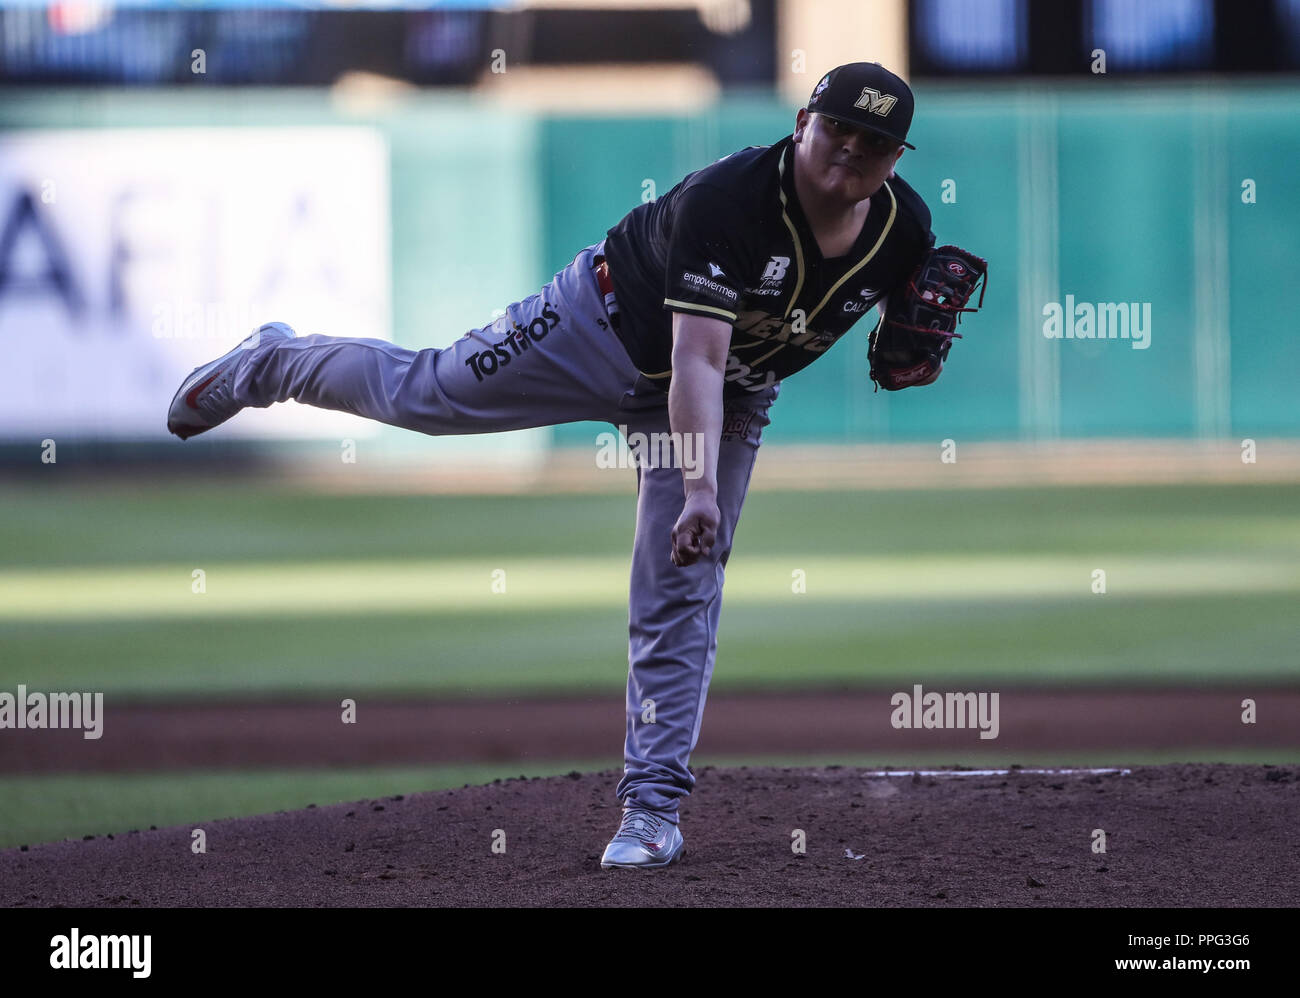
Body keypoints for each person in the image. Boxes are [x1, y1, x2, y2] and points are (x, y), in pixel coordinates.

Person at [167, 62, 936, 870]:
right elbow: (695, 361)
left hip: (734, 393)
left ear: (897, 158)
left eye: (875, 141)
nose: (851, 149)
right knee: (428, 395)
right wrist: (699, 487)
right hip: (597, 329)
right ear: (804, 119)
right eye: (839, 127)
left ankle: (652, 810)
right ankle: (274, 364)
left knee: (681, 586)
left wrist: (912, 343)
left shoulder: (902, 229)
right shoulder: (734, 201)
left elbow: (882, 323)